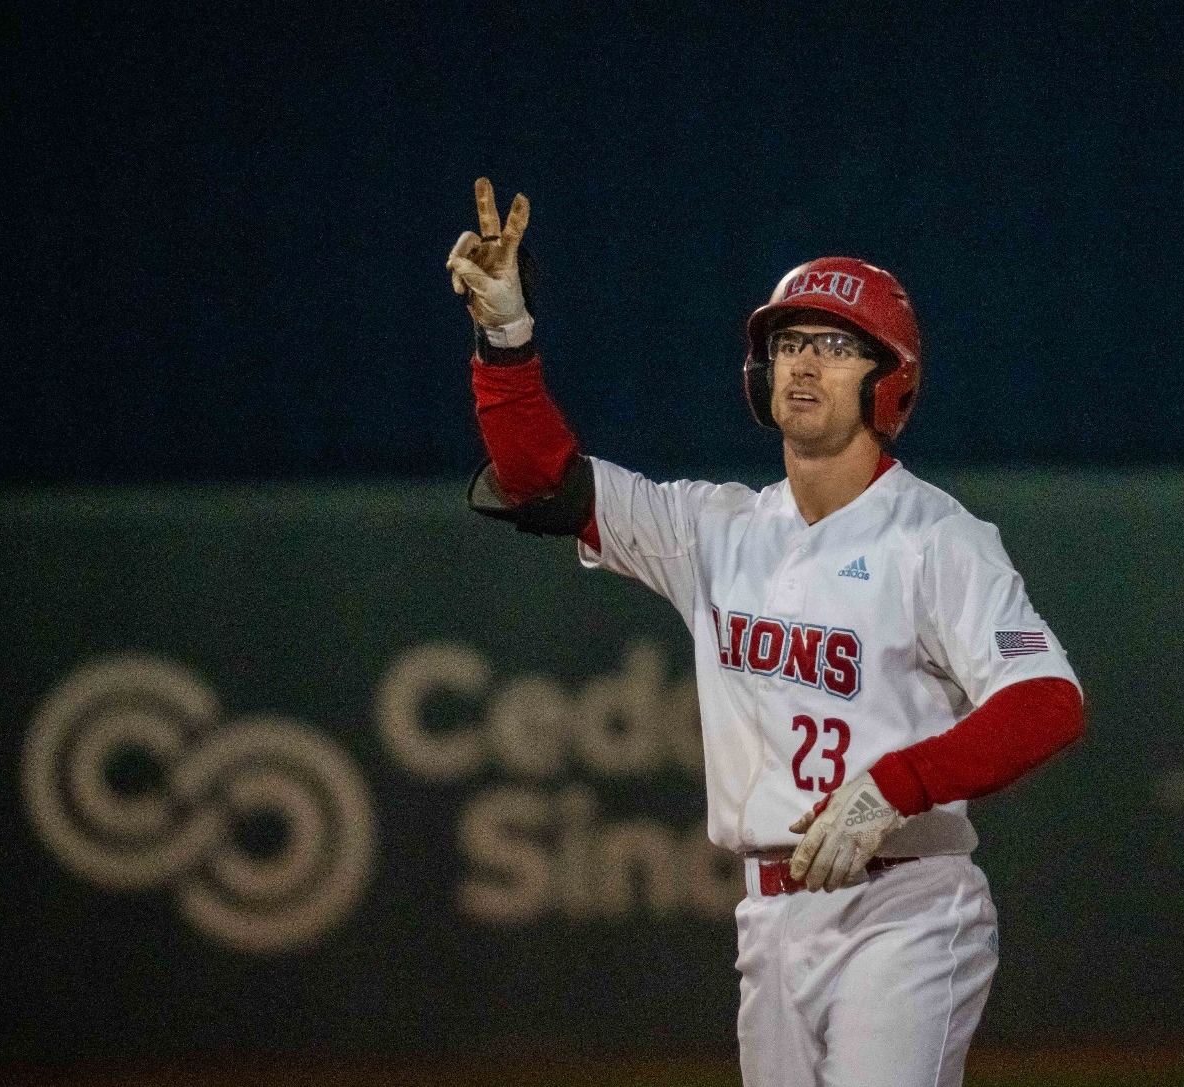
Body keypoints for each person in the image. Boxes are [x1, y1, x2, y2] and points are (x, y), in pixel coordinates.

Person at [446, 179, 1085, 1087]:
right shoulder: (716, 530)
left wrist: (894, 786)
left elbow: (1048, 703)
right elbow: (541, 477)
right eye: (788, 344)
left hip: (906, 905)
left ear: (888, 381)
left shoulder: (936, 536)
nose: (802, 364)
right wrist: (507, 338)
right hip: (770, 922)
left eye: (834, 345)